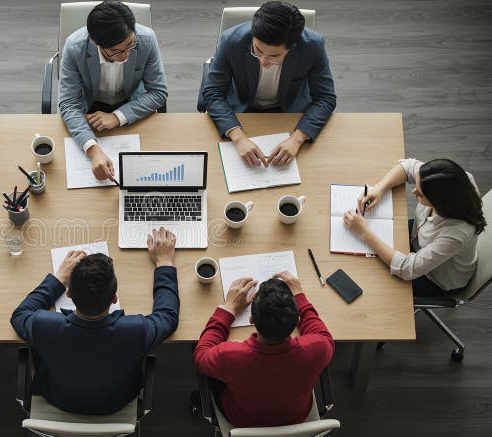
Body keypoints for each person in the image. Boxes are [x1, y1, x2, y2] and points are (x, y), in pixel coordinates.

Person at [10, 228, 179, 415]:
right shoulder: (135, 330)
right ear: (114, 297)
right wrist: (164, 263)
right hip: (116, 402)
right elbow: (167, 316)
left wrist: (58, 279)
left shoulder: (44, 325)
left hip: (59, 398)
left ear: (68, 293)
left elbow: (19, 315)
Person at [200, 1, 336, 167]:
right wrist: (238, 138)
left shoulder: (313, 46)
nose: (264, 62)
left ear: (292, 46)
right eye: (258, 50)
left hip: (290, 115)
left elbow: (325, 97)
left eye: (274, 56)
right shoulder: (230, 41)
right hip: (242, 112)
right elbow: (213, 93)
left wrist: (297, 139)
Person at [193, 272, 334, 428]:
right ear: (297, 321)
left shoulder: (231, 356)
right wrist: (300, 296)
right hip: (296, 419)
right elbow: (322, 334)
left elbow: (200, 355)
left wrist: (228, 308)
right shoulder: (317, 349)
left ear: (252, 320)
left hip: (242, 420)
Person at [59, 1, 168, 182]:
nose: (126, 55)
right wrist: (93, 150)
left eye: (129, 45)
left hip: (131, 103)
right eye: (116, 51)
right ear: (96, 42)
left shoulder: (147, 39)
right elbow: (69, 103)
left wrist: (117, 117)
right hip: (89, 108)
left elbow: (158, 92)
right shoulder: (74, 48)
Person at [343, 158, 485, 297]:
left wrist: (365, 233)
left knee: (374, 284)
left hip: (435, 277)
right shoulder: (451, 182)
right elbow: (407, 167)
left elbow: (407, 269)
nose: (414, 192)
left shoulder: (456, 234)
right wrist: (379, 189)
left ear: (440, 203)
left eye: (420, 194)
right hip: (418, 237)